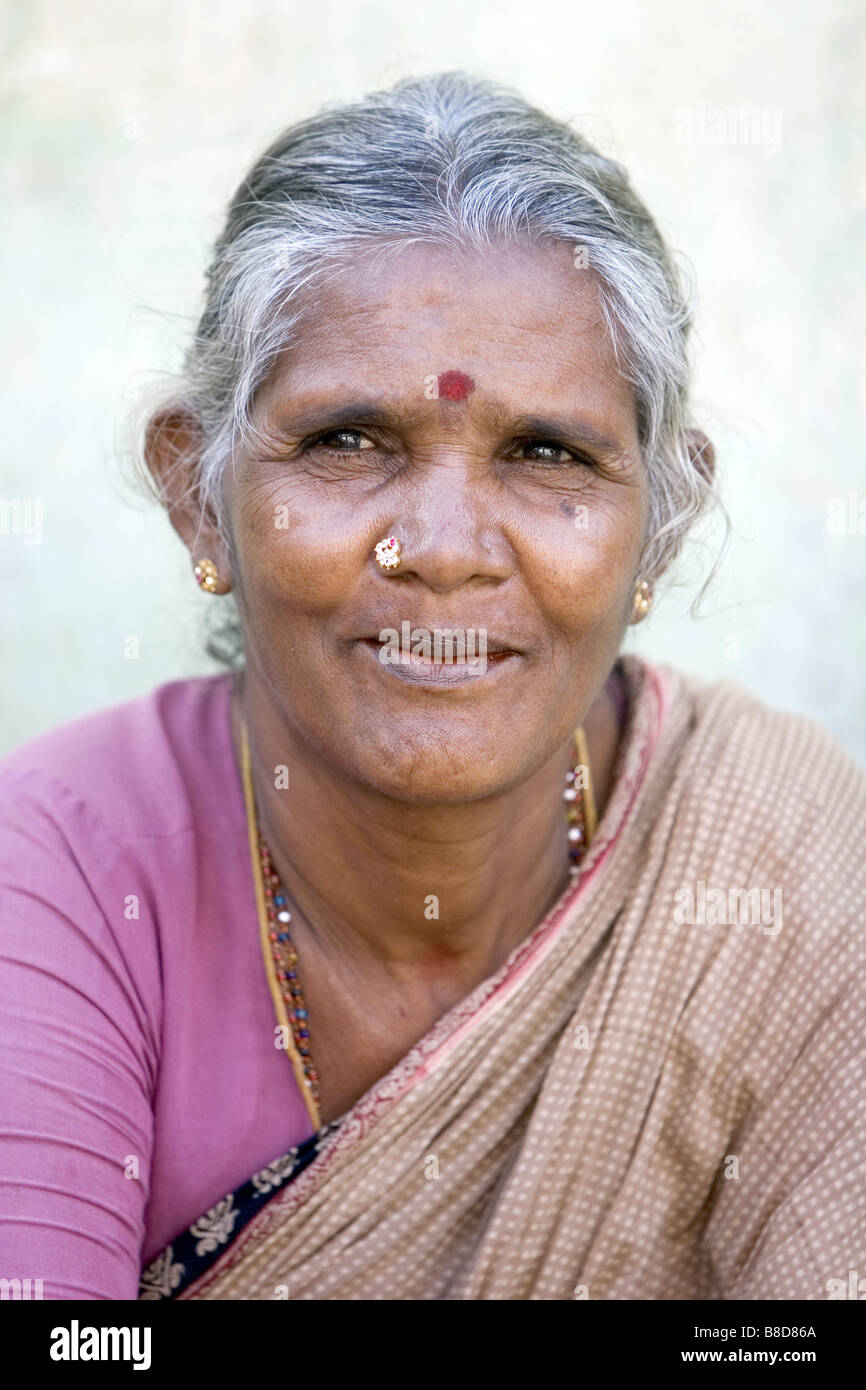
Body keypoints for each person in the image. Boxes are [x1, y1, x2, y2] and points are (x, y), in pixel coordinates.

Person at [1, 71, 864, 1302]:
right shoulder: (64, 867)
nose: (445, 548)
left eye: (545, 453)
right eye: (347, 441)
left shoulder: (780, 851)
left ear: (660, 527)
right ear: (197, 491)